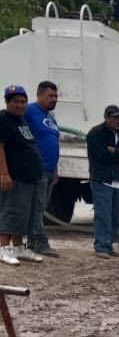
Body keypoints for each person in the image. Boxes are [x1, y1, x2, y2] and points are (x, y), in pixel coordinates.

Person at [0, 85, 44, 266]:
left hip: (30, 177)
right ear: (7, 102)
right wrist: (4, 173)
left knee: (25, 215)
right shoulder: (3, 119)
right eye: (16, 102)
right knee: (11, 213)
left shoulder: (21, 120)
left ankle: (18, 247)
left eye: (23, 101)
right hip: (15, 176)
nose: (20, 105)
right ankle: (4, 248)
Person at [24, 80, 67, 257]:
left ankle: (33, 242)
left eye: (56, 96)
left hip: (50, 170)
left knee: (41, 206)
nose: (54, 99)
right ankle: (40, 242)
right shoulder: (30, 111)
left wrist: (56, 168)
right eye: (50, 96)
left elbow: (52, 142)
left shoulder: (51, 117)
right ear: (39, 95)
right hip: (37, 168)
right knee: (38, 207)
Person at [86, 104, 119, 258]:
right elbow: (101, 156)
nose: (118, 121)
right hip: (101, 178)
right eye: (115, 117)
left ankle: (109, 244)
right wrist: (118, 153)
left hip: (117, 180)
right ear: (106, 117)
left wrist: (115, 151)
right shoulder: (96, 133)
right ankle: (101, 246)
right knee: (103, 214)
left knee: (113, 215)